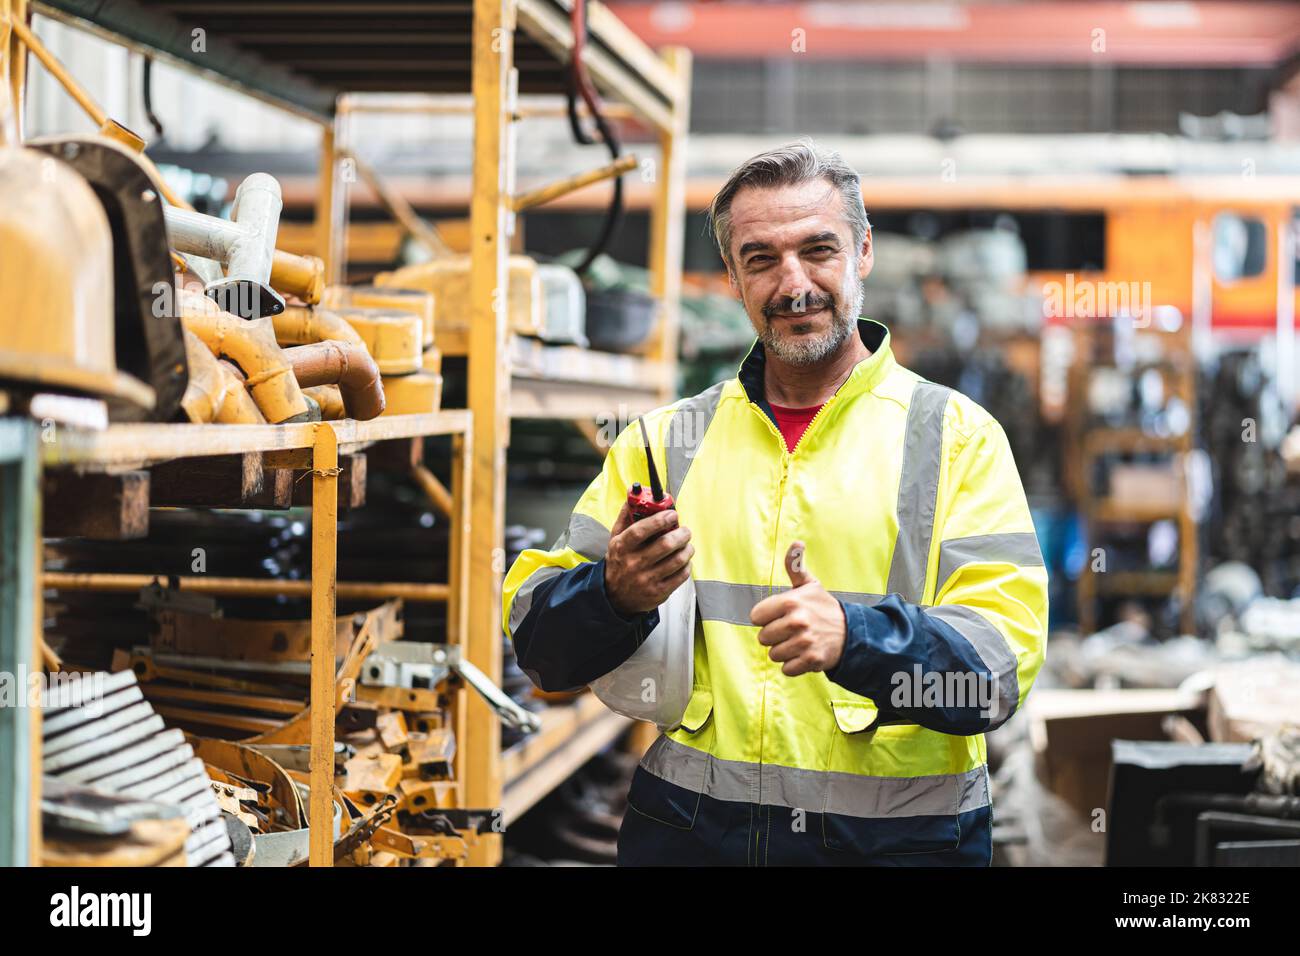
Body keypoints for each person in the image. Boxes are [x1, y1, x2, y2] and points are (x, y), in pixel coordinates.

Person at [503, 140, 1048, 866]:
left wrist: (858, 638)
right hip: (693, 838)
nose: (793, 284)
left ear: (863, 253)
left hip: (893, 849)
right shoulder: (667, 441)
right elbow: (540, 649)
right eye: (761, 259)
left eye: (818, 250)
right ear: (731, 278)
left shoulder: (956, 439)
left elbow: (997, 671)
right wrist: (611, 594)